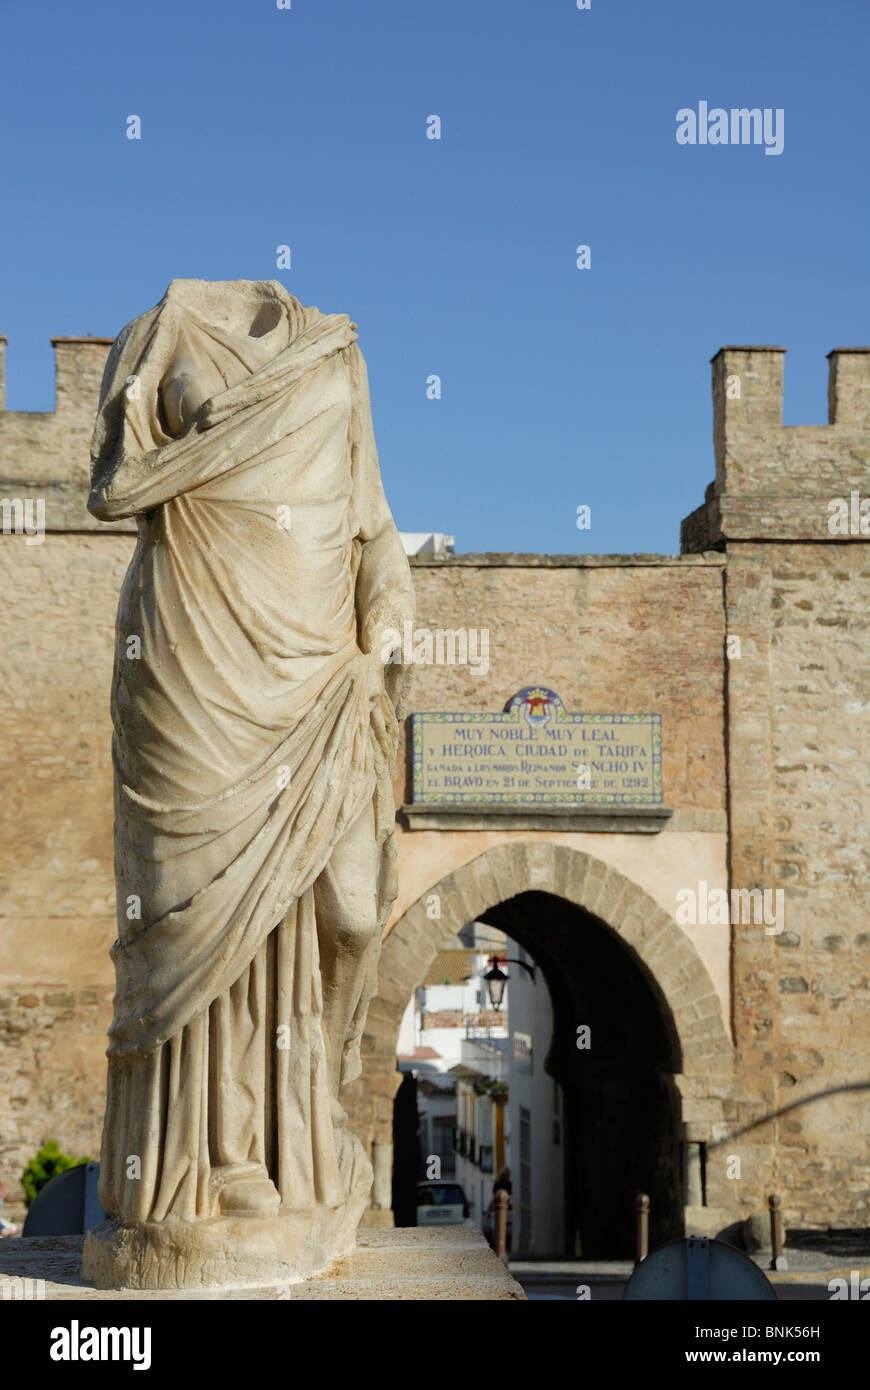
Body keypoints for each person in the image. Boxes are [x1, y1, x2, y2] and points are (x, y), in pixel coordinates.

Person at [86, 280, 415, 1248]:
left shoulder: (333, 348)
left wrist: (389, 605)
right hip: (191, 647)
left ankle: (307, 1125)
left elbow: (375, 516)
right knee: (204, 909)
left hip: (320, 661)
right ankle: (219, 1157)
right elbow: (110, 487)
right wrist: (171, 417)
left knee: (348, 910)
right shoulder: (158, 331)